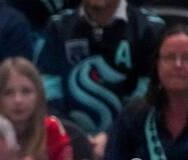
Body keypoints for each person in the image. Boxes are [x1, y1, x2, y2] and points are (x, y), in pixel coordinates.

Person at [36, 0, 166, 139]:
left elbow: (147, 96)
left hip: (131, 141)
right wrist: (76, 139)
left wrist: (112, 136)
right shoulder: (58, 27)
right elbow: (49, 92)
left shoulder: (149, 28)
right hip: (68, 139)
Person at [98, 24, 188, 160]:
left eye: (186, 58)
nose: (178, 65)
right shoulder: (135, 117)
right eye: (170, 58)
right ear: (157, 65)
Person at [0, 57, 73, 160]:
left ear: (39, 95)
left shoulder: (52, 128)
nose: (18, 100)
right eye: (8, 93)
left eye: (26, 91)